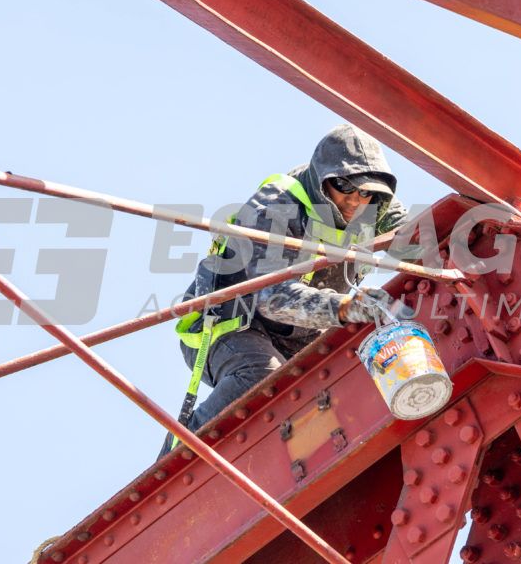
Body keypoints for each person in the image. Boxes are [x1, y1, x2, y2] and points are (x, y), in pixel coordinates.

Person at [162, 124, 409, 455]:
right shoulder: (278, 205)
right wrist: (345, 307)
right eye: (346, 187)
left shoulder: (373, 205)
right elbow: (274, 299)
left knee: (368, 364)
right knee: (261, 374)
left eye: (366, 192)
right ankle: (179, 457)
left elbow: (421, 241)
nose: (355, 200)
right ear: (323, 180)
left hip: (297, 337)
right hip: (232, 325)